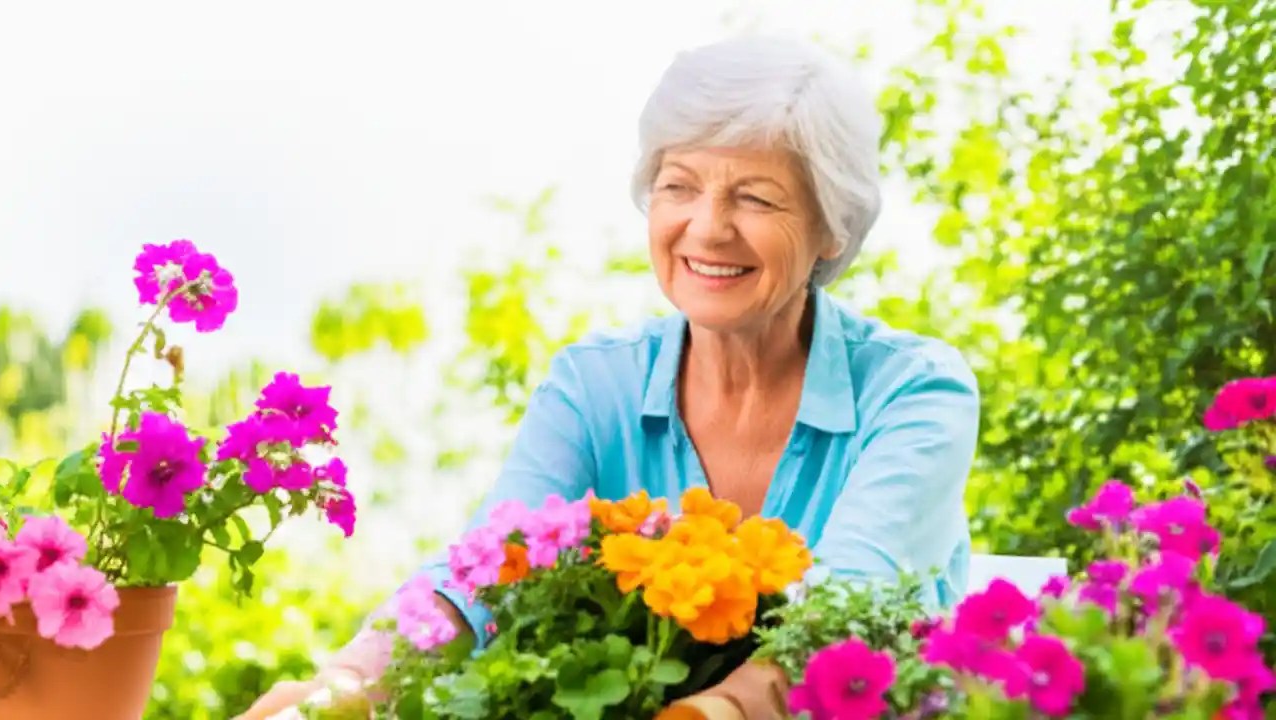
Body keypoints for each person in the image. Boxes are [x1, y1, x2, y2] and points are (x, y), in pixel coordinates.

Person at [240, 34, 980, 720]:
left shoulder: (915, 394)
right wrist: (348, 686)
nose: (708, 227)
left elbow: (838, 621)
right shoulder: (596, 387)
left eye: (755, 197)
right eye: (679, 186)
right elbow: (483, 578)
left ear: (833, 227)